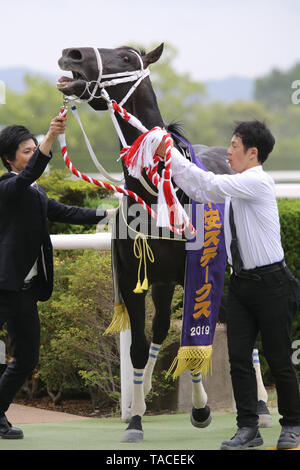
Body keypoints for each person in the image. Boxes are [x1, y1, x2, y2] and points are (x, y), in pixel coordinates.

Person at [168, 120, 300, 450]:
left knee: (280, 359)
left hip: (272, 284)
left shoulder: (256, 181)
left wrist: (168, 150)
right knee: (238, 360)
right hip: (241, 286)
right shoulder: (236, 183)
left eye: (234, 147)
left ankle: (293, 426)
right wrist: (167, 158)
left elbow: (207, 181)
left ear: (252, 153)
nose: (227, 151)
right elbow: (200, 188)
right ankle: (248, 429)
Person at [0, 115, 116, 439]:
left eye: (34, 149)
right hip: (2, 288)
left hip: (24, 292)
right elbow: (32, 172)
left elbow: (65, 212)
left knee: (26, 359)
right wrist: (52, 135)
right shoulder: (8, 187)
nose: (33, 154)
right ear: (9, 159)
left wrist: (108, 214)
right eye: (27, 151)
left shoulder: (34, 192)